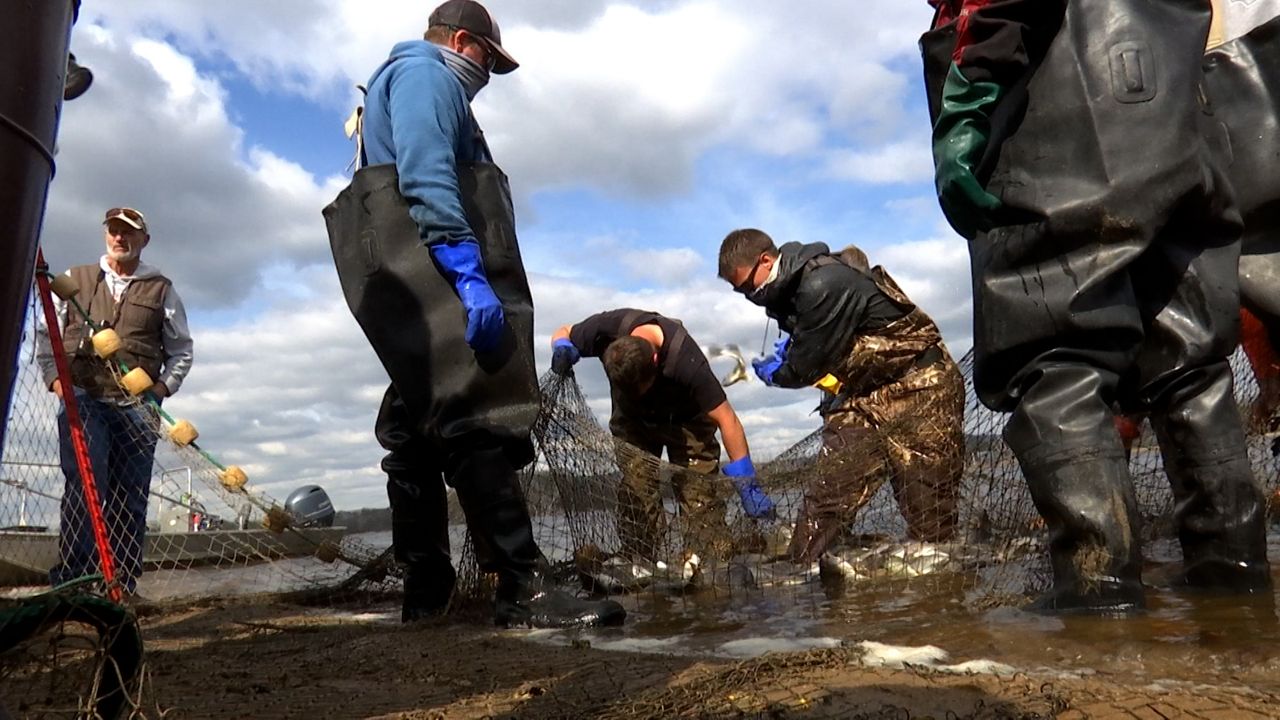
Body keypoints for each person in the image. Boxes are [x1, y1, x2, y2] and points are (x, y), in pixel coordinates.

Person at [921, 0, 1272, 613]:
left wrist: (969, 94)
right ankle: (1236, 599)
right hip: (1177, 92)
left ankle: (1098, 607)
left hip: (1060, 81)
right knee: (1190, 358)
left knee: (1054, 350)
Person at [323, 0, 624, 628]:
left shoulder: (390, 81)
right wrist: (465, 272)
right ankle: (522, 585)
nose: (488, 75)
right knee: (475, 414)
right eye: (489, 59)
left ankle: (426, 592)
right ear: (462, 41)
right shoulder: (428, 74)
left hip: (396, 281)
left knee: (411, 426)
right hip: (434, 268)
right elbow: (428, 170)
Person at [717, 230, 966, 563]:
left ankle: (941, 602)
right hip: (860, 395)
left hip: (919, 386)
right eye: (739, 291)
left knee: (929, 513)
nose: (748, 295)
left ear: (765, 260)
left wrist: (780, 373)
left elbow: (805, 368)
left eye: (748, 286)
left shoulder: (822, 283)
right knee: (828, 496)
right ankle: (804, 576)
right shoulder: (785, 294)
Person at [37, 206, 194, 595]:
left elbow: (182, 351)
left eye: (128, 232)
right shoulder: (75, 278)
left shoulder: (162, 288)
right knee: (86, 485)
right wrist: (55, 379)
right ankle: (74, 581)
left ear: (144, 240)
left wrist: (161, 390)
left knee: (131, 495)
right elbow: (47, 334)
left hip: (138, 409)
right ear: (106, 235)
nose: (119, 238)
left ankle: (121, 584)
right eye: (113, 231)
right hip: (83, 398)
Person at [549, 309, 775, 561]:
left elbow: (727, 418)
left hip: (687, 421)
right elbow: (565, 330)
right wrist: (561, 345)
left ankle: (711, 560)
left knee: (697, 494)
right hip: (633, 421)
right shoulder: (607, 328)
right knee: (636, 489)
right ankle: (640, 559)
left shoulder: (686, 360)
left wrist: (746, 482)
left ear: (655, 360)